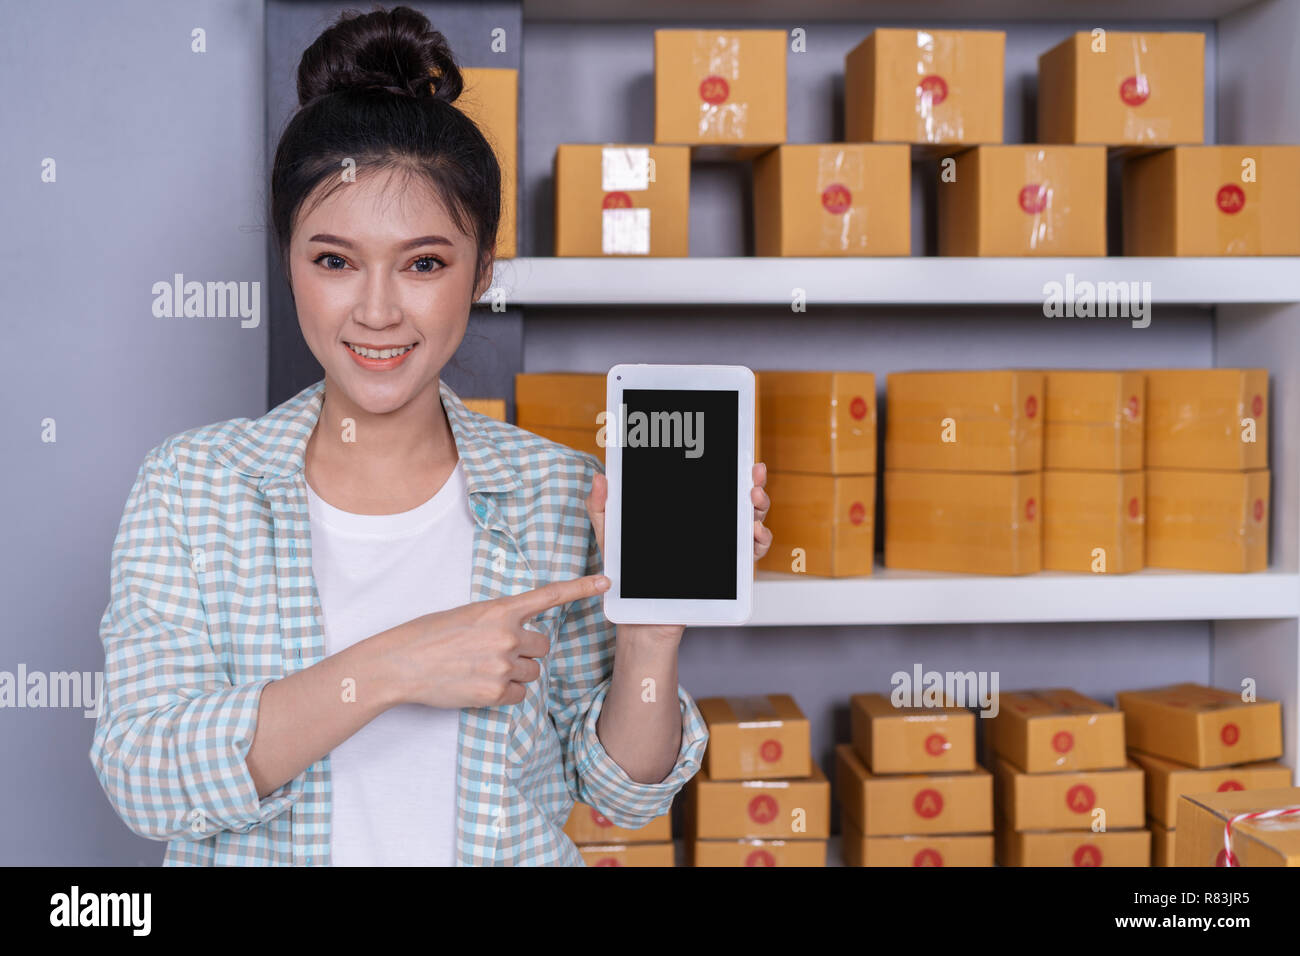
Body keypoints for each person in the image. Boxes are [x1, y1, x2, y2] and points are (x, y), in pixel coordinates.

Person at [90, 4, 772, 866]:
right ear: (287, 258)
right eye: (334, 260)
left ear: (482, 271)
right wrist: (395, 667)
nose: (377, 311)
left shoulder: (562, 493)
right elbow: (144, 780)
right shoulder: (191, 488)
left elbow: (622, 795)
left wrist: (650, 628)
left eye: (424, 263)